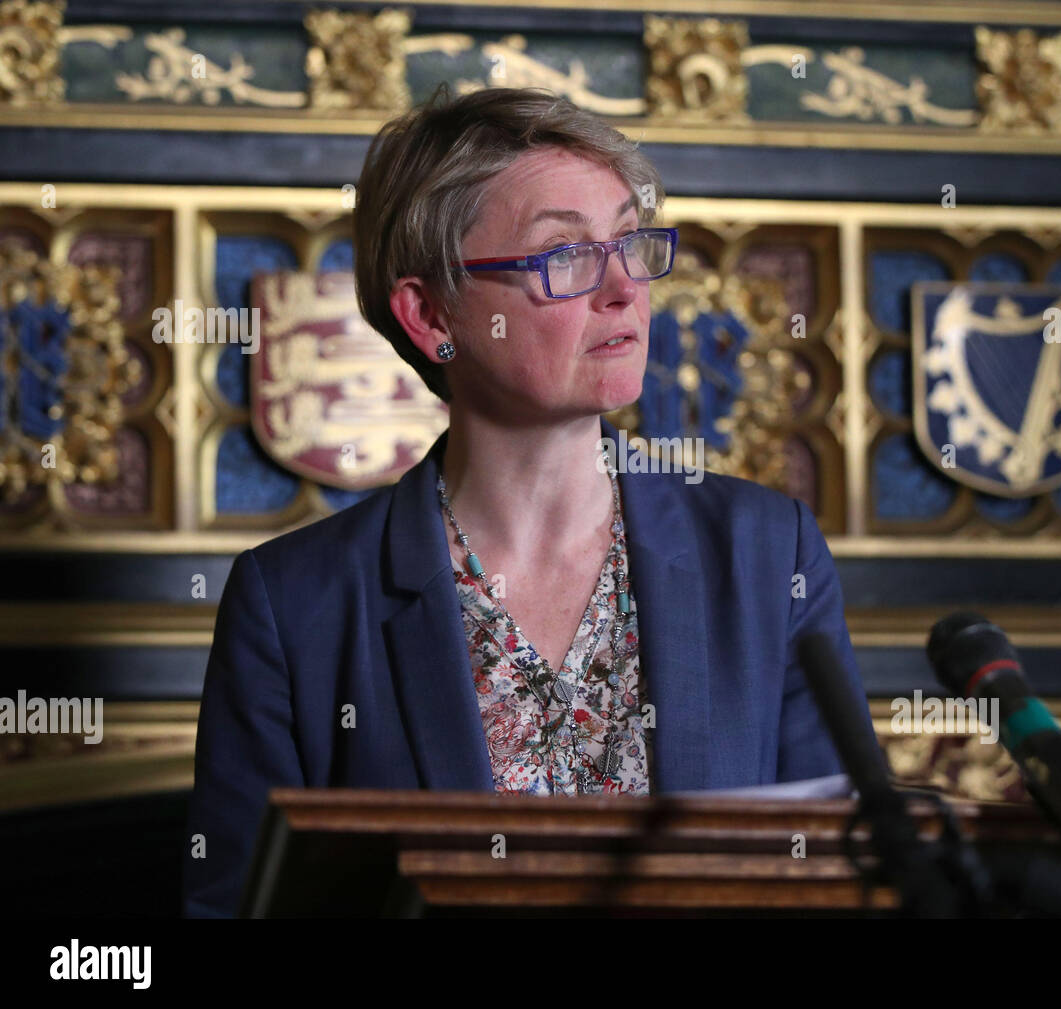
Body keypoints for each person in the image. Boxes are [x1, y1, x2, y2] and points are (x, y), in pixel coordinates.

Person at [182, 84, 872, 918]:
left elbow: (850, 880)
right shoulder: (293, 605)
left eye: (631, 242)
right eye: (568, 256)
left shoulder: (768, 552)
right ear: (432, 312)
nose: (623, 289)